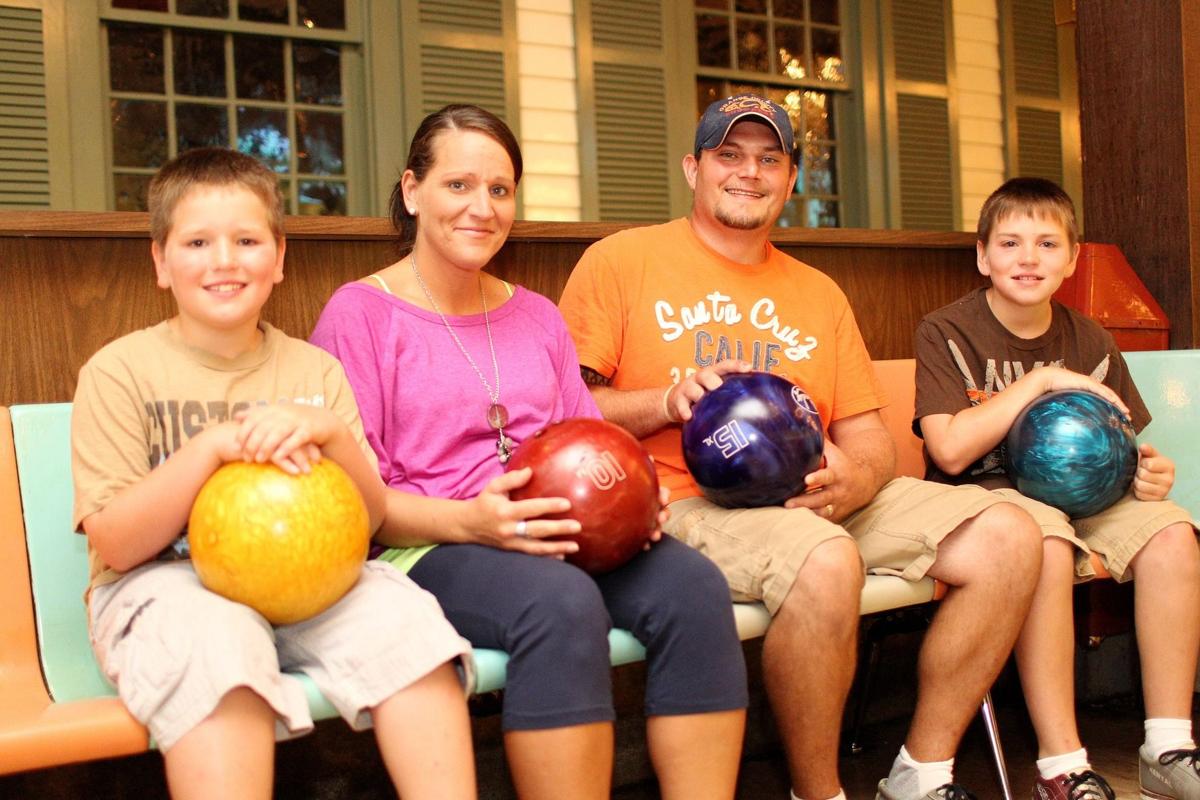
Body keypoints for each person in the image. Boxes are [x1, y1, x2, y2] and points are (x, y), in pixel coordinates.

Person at [558, 93, 1046, 800]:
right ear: (693, 168)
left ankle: (922, 772)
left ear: (789, 180)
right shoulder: (621, 261)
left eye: (769, 160)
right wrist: (664, 400)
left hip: (817, 501)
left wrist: (858, 478)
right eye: (729, 155)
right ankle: (818, 793)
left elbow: (868, 437)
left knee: (1010, 534)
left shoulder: (819, 291)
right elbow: (568, 410)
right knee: (823, 559)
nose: (748, 172)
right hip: (683, 503)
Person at [309, 104, 749, 800]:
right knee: (559, 603)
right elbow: (355, 505)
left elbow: (590, 440)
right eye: (458, 185)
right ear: (412, 190)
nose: (481, 207)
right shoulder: (360, 314)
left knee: (693, 586)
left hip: (560, 532)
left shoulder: (538, 315)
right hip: (428, 544)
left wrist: (632, 497)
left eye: (499, 189)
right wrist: (474, 522)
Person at [71, 147, 476, 800]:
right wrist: (211, 448)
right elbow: (116, 544)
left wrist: (333, 435)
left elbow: (372, 521)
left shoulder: (314, 372)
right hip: (163, 585)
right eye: (197, 242)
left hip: (316, 585)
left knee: (408, 623)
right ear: (161, 263)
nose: (224, 260)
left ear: (280, 257)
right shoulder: (120, 372)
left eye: (247, 240)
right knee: (218, 641)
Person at [912, 176, 1200, 800]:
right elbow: (950, 450)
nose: (1028, 258)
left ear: (1071, 260)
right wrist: (1039, 382)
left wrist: (1149, 472)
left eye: (1047, 244)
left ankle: (1168, 746)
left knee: (1174, 532)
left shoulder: (1092, 340)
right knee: (1041, 539)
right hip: (987, 503)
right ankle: (1061, 763)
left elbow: (1121, 447)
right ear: (983, 256)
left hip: (1084, 502)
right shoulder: (945, 331)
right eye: (1010, 243)